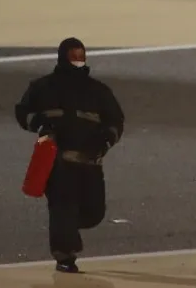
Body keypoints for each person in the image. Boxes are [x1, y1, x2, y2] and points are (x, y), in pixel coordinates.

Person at [14, 38, 125, 273]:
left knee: (93, 213)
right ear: (63, 56)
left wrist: (106, 139)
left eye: (80, 55)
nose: (77, 60)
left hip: (90, 162)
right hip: (58, 162)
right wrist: (40, 125)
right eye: (73, 55)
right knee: (62, 207)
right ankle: (65, 255)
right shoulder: (43, 87)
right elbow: (23, 112)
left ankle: (67, 227)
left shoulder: (98, 91)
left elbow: (115, 120)